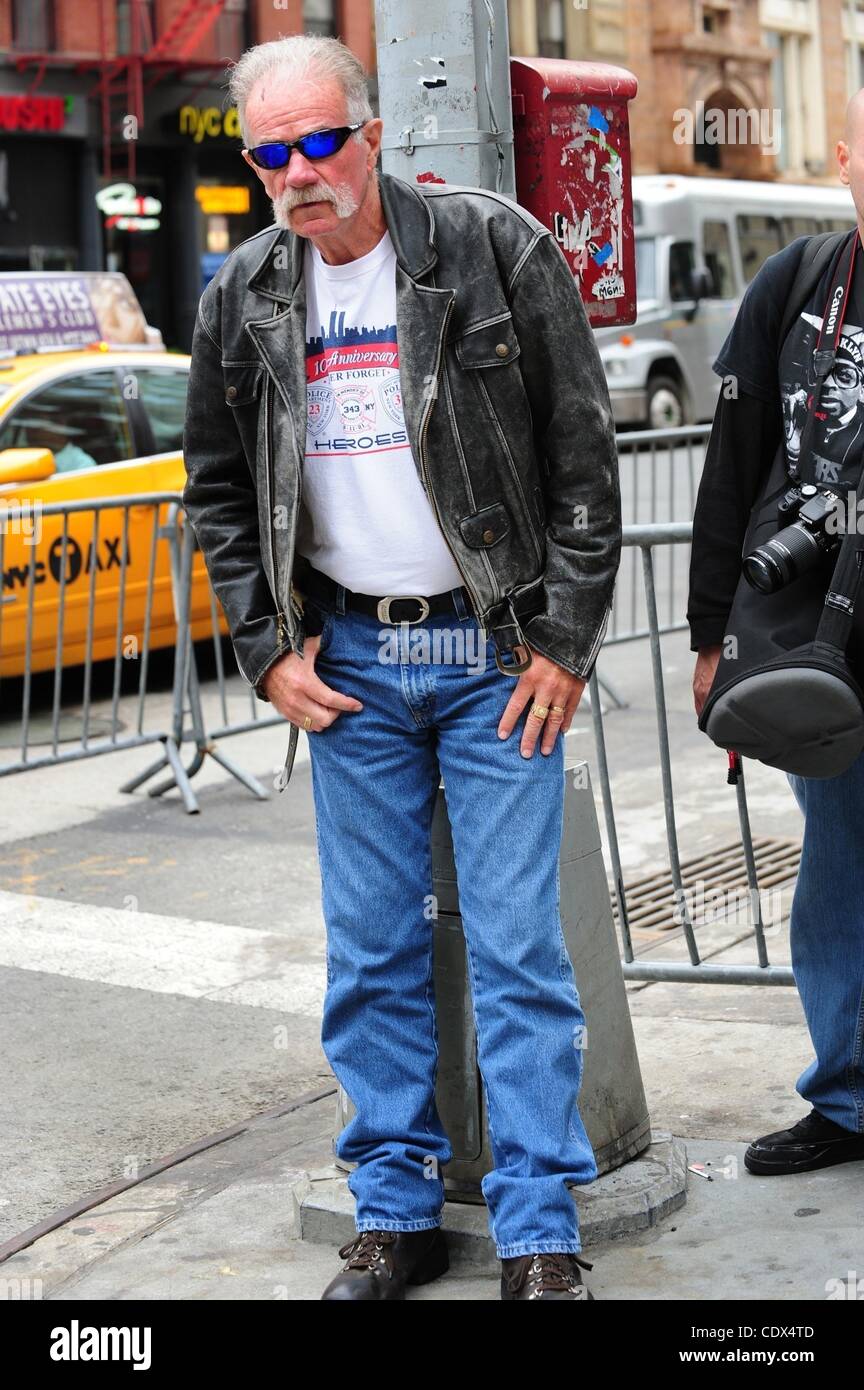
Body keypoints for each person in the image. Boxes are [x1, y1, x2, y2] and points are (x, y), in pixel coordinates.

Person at [182, 34, 621, 1300]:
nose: (299, 174)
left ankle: (540, 1230)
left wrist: (565, 643)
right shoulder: (243, 294)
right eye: (272, 154)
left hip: (493, 655)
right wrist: (264, 651)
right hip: (351, 664)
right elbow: (217, 489)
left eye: (321, 143)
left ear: (373, 138)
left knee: (517, 946)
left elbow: (583, 457)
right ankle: (396, 1211)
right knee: (371, 951)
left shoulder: (492, 249)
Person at [689, 88, 864, 1179]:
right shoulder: (799, 283)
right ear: (845, 152)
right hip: (821, 644)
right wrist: (712, 636)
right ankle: (847, 1097)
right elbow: (731, 461)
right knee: (839, 873)